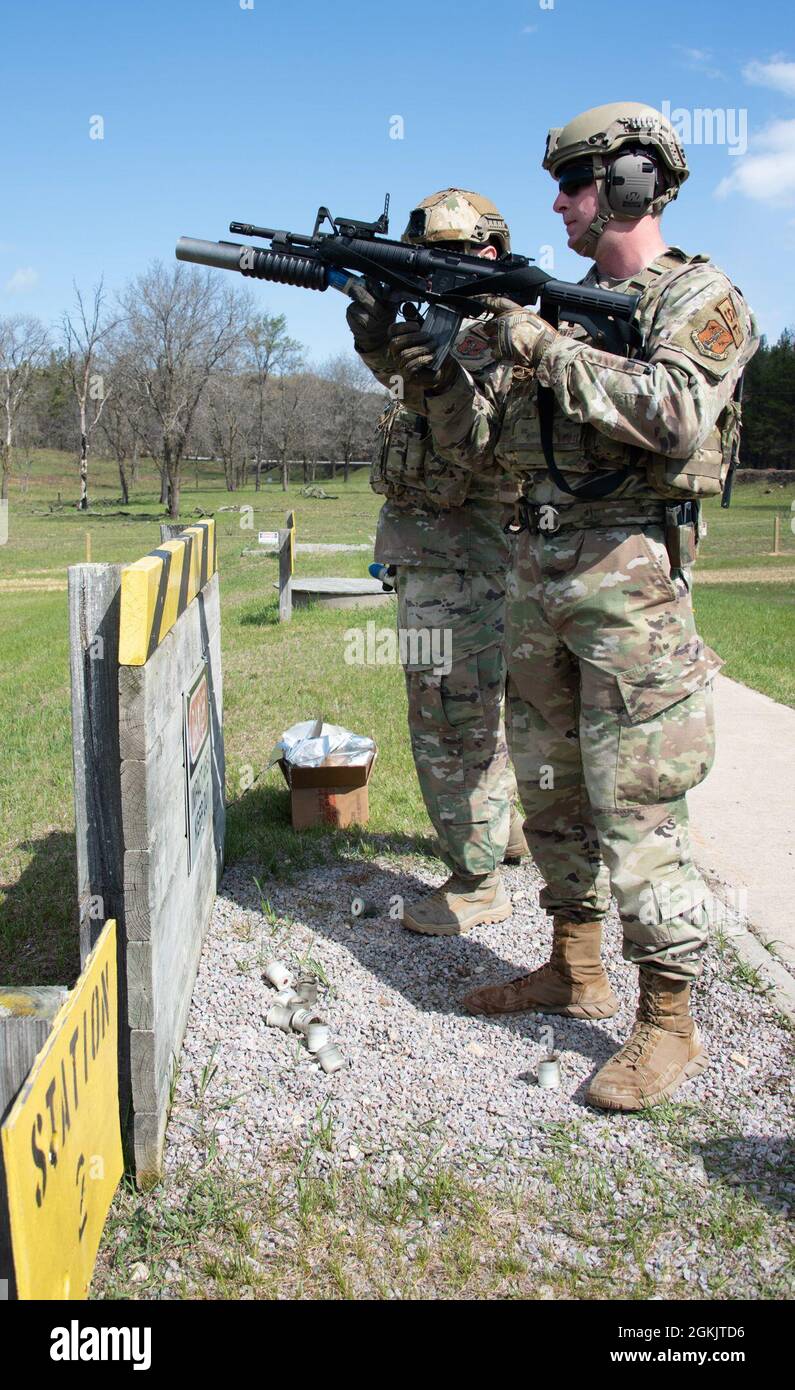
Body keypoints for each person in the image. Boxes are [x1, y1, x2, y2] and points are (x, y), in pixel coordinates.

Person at [385, 105, 759, 1108]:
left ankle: (669, 1021)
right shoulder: (553, 304)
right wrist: (422, 359)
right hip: (537, 576)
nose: (559, 202)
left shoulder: (699, 296)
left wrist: (541, 344)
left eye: (576, 182)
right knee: (550, 791)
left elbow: (675, 412)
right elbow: (475, 448)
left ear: (634, 181)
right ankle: (573, 962)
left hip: (633, 588)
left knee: (636, 799)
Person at [346, 188, 529, 936]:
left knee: (449, 719)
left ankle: (475, 879)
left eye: (449, 257)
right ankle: (500, 835)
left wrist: (432, 379)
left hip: (464, 560)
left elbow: (473, 443)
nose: (431, 270)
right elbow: (407, 393)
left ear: (490, 255)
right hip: (447, 558)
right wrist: (375, 344)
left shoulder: (510, 332)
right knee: (482, 712)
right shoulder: (450, 328)